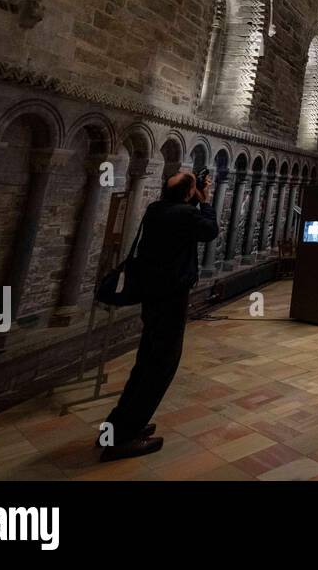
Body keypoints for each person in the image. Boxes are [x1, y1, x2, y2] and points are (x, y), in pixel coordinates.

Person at [99, 170, 218, 462]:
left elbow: (180, 224)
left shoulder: (156, 209)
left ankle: (116, 427)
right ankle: (122, 439)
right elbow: (211, 231)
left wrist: (193, 198)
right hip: (171, 296)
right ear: (190, 193)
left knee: (145, 362)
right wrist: (207, 201)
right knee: (161, 366)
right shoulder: (188, 216)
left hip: (152, 295)